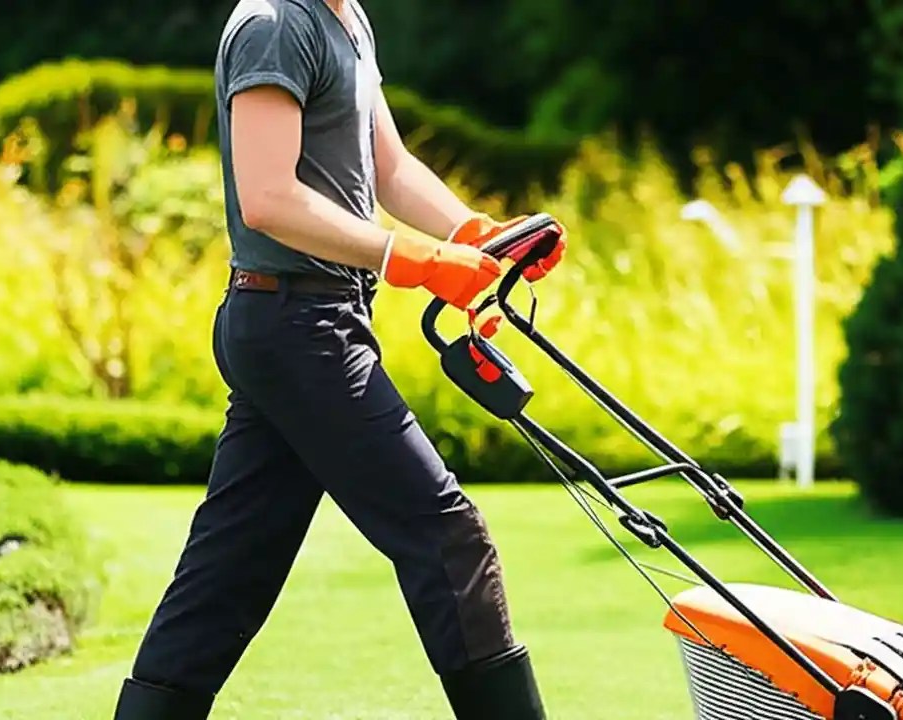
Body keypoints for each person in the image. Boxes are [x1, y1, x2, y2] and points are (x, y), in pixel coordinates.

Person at [110, 0, 565, 718]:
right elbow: (268, 198)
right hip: (296, 325)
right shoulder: (276, 23)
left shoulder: (346, 18)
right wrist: (410, 257)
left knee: (230, 570)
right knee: (446, 534)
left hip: (312, 320)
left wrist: (477, 237)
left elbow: (390, 168)